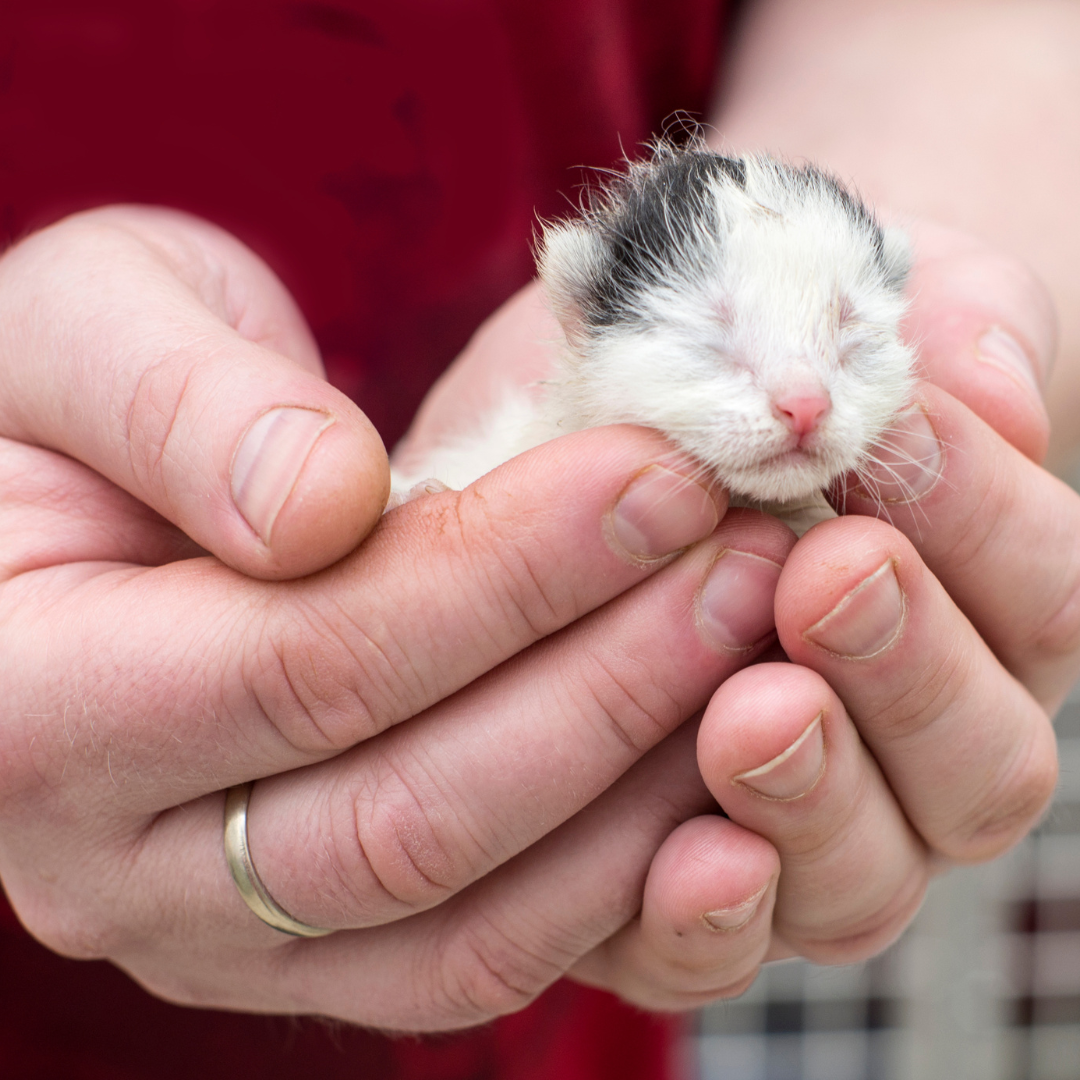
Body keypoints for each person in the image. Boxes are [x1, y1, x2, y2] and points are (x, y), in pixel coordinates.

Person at [0, 1, 1077, 1077]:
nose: (802, 400)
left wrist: (971, 232)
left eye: (849, 338)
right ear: (579, 315)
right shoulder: (481, 490)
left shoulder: (831, 522)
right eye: (709, 342)